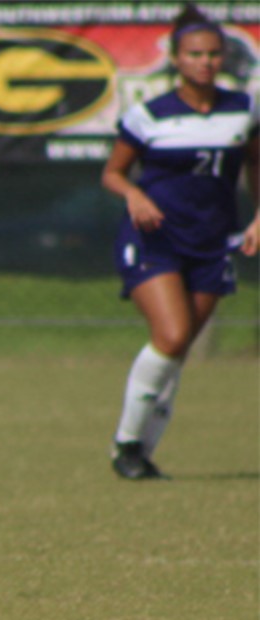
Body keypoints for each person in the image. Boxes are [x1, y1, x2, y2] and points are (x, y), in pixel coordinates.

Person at [101, 5, 258, 481]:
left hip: (213, 239)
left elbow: (255, 166)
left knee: (178, 349)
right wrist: (134, 195)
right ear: (175, 58)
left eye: (212, 54)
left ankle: (140, 455)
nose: (205, 62)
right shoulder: (150, 115)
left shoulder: (244, 107)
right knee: (170, 337)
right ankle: (126, 443)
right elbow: (112, 172)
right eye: (194, 54)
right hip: (156, 236)